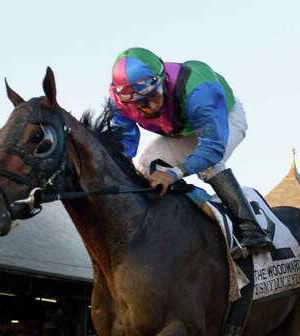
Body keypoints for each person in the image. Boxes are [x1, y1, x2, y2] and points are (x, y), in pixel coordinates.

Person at [108, 47, 274, 257]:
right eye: (139, 104)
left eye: (152, 97)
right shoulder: (119, 101)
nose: (148, 108)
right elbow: (124, 145)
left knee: (208, 165)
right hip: (179, 130)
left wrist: (174, 173)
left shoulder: (198, 88)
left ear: (163, 80)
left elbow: (212, 148)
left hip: (223, 119)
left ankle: (253, 231)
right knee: (146, 165)